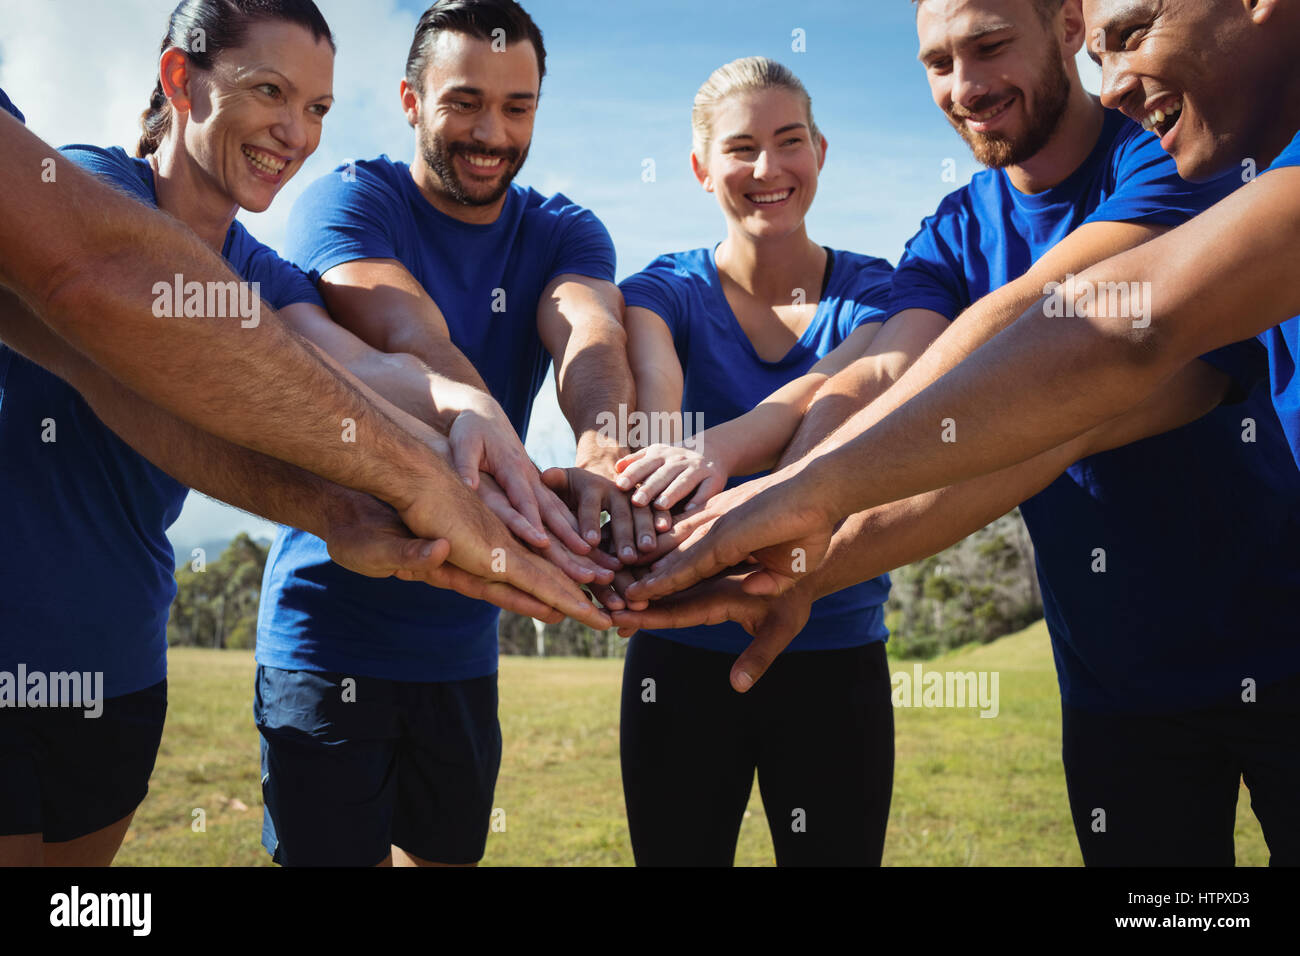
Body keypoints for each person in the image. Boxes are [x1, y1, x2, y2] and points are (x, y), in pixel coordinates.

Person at [621, 0, 1300, 866]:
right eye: (938, 63)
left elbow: (1056, 332)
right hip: (1116, 686)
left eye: (988, 48)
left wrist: (802, 504)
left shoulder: (1177, 144)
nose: (966, 87)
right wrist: (789, 515)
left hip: (1282, 645)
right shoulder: (951, 230)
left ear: (1064, 27)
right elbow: (884, 376)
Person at [0, 0, 606, 869]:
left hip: (118, 664)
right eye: (270, 92)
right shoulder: (91, 194)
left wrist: (461, 403)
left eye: (317, 108)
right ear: (182, 79)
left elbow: (348, 363)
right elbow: (113, 284)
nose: (295, 131)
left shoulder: (261, 269)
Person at [253, 0, 636, 868]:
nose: (491, 132)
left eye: (517, 107)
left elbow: (588, 332)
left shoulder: (564, 229)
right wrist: (484, 416)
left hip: (464, 646)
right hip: (329, 633)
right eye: (464, 101)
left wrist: (604, 446)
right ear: (410, 100)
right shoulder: (350, 199)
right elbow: (406, 333)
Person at [615, 57, 899, 866]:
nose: (767, 169)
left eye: (790, 142)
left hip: (837, 653)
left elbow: (836, 389)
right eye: (741, 149)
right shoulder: (662, 290)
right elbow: (655, 384)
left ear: (821, 151)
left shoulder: (876, 292)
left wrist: (722, 448)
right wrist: (666, 448)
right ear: (703, 169)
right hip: (679, 658)